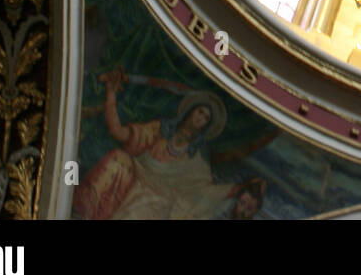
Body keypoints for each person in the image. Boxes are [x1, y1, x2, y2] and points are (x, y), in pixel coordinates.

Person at [73, 69, 248, 220]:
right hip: (132, 177)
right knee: (119, 160)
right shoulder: (160, 130)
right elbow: (118, 132)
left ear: (207, 126)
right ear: (190, 110)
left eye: (206, 118)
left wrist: (235, 190)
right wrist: (111, 93)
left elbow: (201, 194)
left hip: (157, 202)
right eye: (200, 112)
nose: (200, 119)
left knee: (150, 209)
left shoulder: (198, 162)